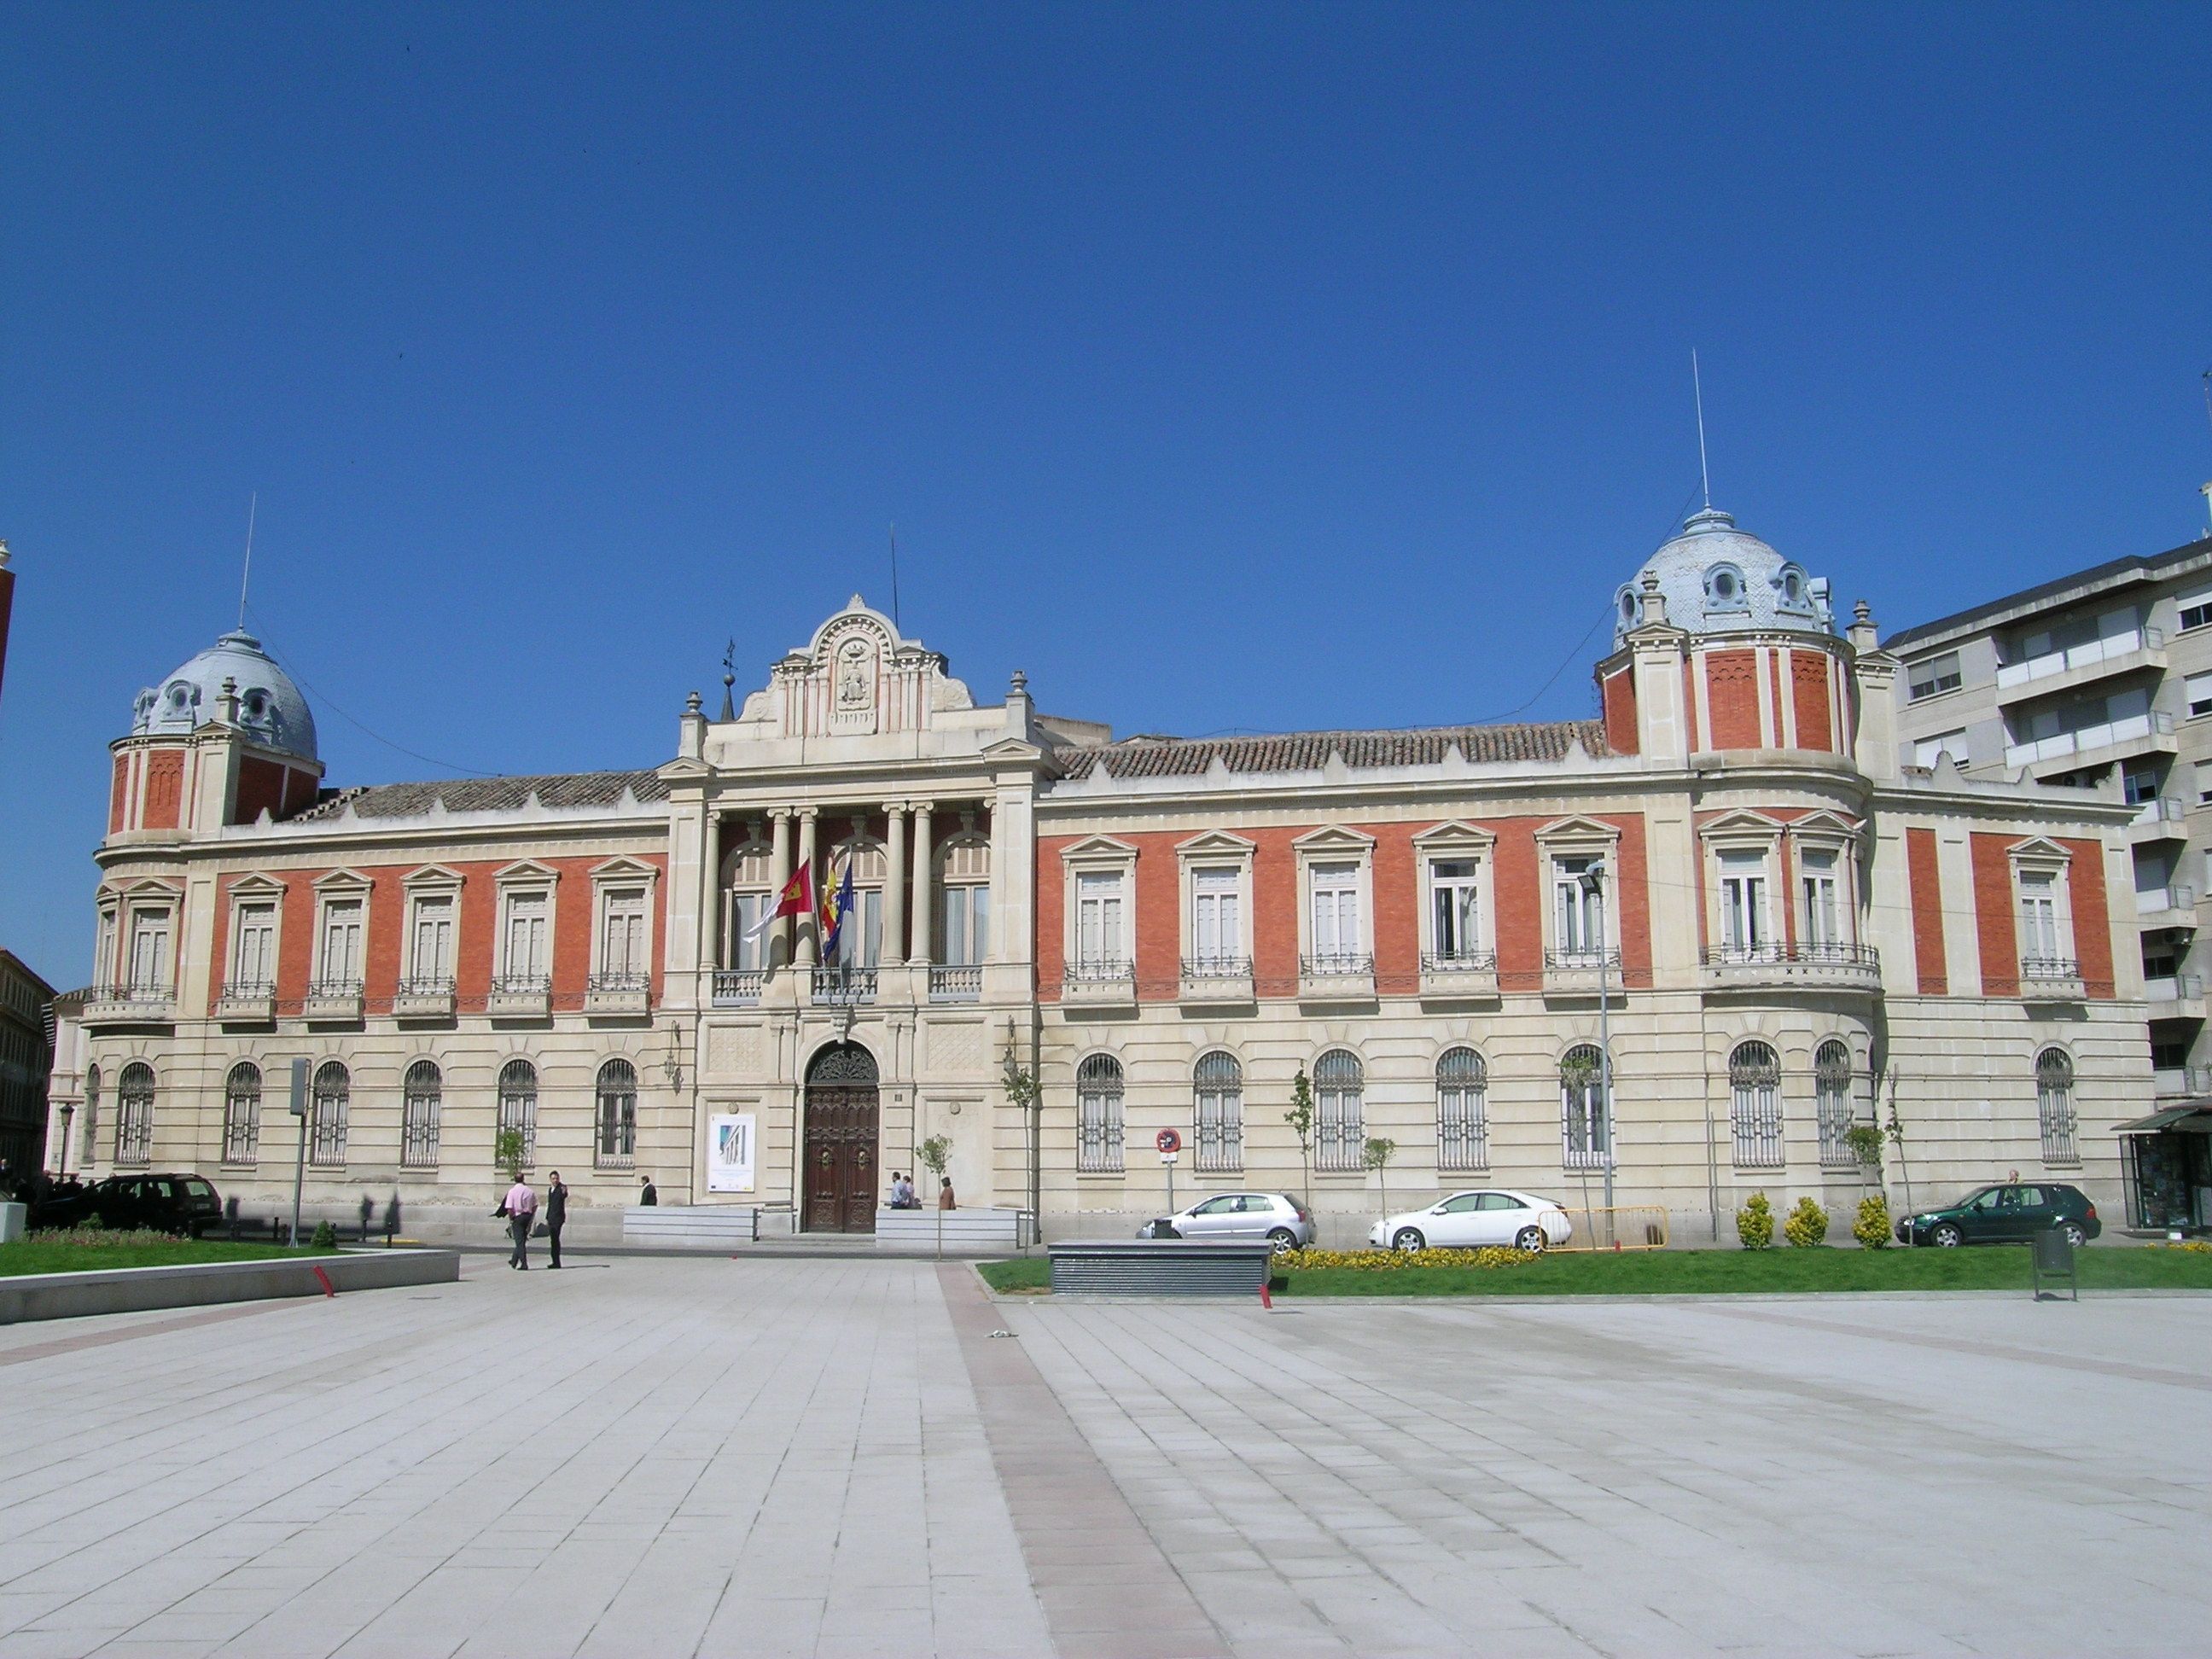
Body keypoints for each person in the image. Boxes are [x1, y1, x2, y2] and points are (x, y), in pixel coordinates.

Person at [498, 1174, 538, 1269]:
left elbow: (509, 1208)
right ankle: (514, 1260)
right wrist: (532, 1214)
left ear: (514, 1180)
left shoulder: (512, 1191)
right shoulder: (530, 1191)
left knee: (519, 1241)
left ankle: (524, 1263)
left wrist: (511, 1219)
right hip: (528, 1215)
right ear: (523, 1179)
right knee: (522, 1239)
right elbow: (535, 1205)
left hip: (518, 1216)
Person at [544, 1171, 568, 1269]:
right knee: (553, 1240)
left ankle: (556, 1262)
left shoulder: (561, 1188)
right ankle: (554, 1261)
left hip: (558, 1218)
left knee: (555, 1240)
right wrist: (547, 1217)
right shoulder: (550, 1189)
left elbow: (564, 1195)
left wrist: (564, 1190)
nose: (555, 1180)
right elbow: (550, 1205)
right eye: (553, 1179)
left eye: (557, 1178)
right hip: (551, 1218)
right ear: (550, 1179)